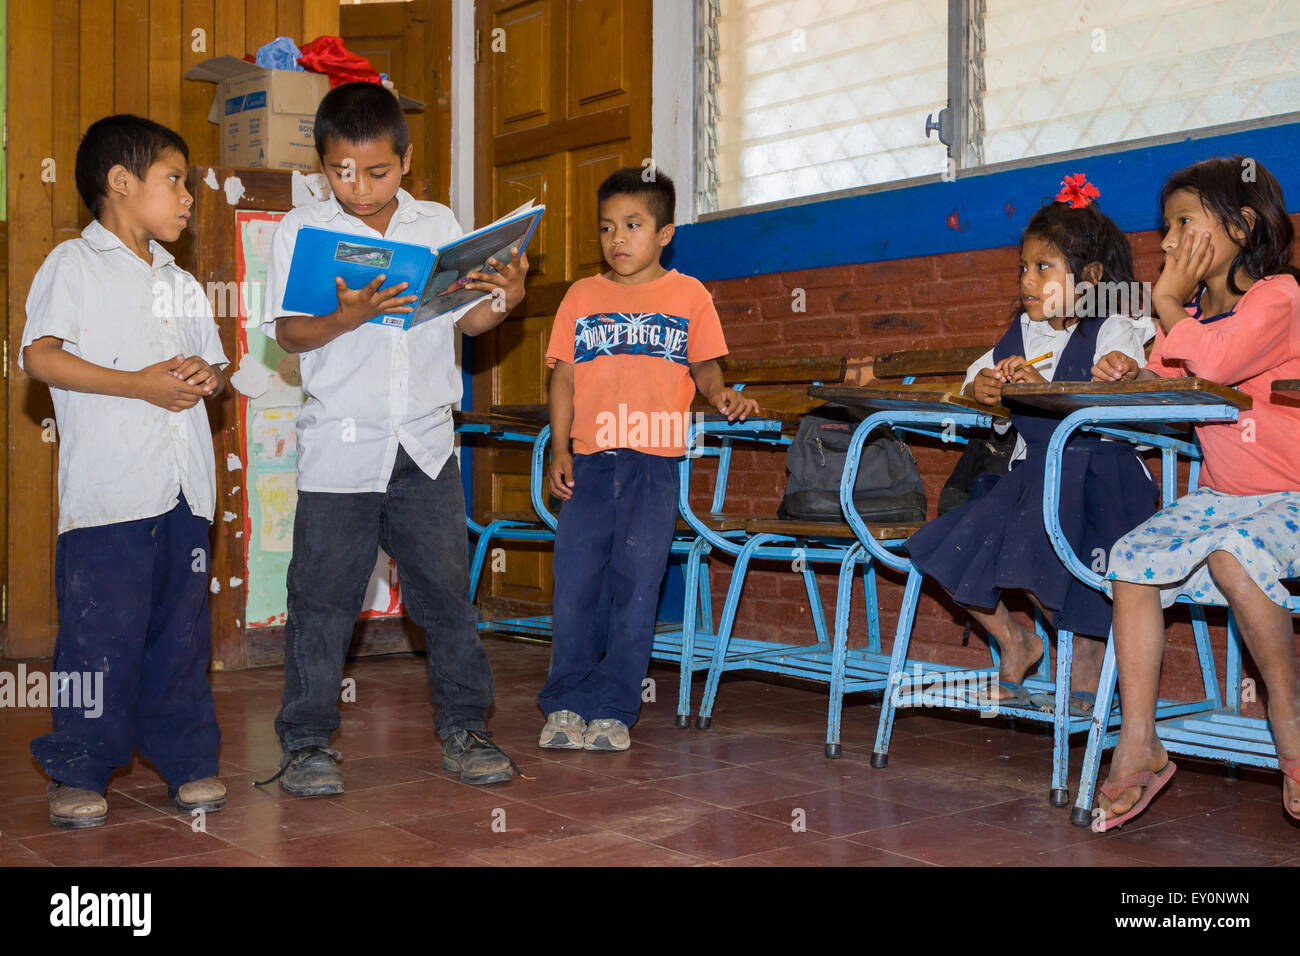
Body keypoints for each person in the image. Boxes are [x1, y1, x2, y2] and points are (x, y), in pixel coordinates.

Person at [261, 82, 528, 793]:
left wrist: (505, 297)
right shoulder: (303, 232)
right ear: (323, 166)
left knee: (445, 598)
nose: (359, 187)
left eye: (377, 171)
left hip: (424, 448)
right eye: (341, 171)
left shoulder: (437, 223)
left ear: (404, 161)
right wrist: (346, 318)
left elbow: (467, 322)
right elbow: (287, 333)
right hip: (340, 451)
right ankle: (307, 743)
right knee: (321, 604)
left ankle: (467, 728)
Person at [22, 115, 228, 828]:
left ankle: (189, 760)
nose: (187, 197)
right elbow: (40, 357)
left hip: (182, 492)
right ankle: (77, 765)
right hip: (109, 496)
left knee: (181, 633)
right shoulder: (71, 266)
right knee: (98, 634)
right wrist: (134, 384)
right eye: (175, 181)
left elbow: (215, 368)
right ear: (121, 183)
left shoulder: (181, 281)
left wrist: (207, 375)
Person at [1093, 157, 1300, 830]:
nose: (1170, 241)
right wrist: (1127, 372)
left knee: (1235, 555)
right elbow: (1166, 382)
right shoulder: (1182, 316)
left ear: (1241, 227)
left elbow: (1216, 364)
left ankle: (1287, 715)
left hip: (1290, 497)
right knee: (1129, 558)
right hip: (1218, 498)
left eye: (1185, 222)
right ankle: (1141, 741)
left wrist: (1161, 307)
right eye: (1165, 227)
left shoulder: (1280, 298)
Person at [905, 176, 1158, 713]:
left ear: (1090, 278)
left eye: (1044, 268)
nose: (1027, 280)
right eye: (1023, 267)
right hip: (1035, 474)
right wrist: (989, 387)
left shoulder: (1114, 322)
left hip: (1103, 475)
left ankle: (1086, 659)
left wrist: (1121, 371)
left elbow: (1130, 373)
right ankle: (1016, 641)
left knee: (1070, 553)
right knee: (947, 543)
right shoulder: (1024, 332)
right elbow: (974, 384)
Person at [539, 167, 758, 751]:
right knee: (576, 586)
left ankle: (613, 707)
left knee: (636, 587)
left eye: (633, 225)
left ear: (665, 233)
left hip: (653, 465)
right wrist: (559, 448)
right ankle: (565, 703)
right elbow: (562, 377)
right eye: (607, 227)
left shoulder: (690, 296)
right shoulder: (581, 297)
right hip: (589, 464)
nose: (618, 239)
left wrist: (720, 394)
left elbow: (705, 364)